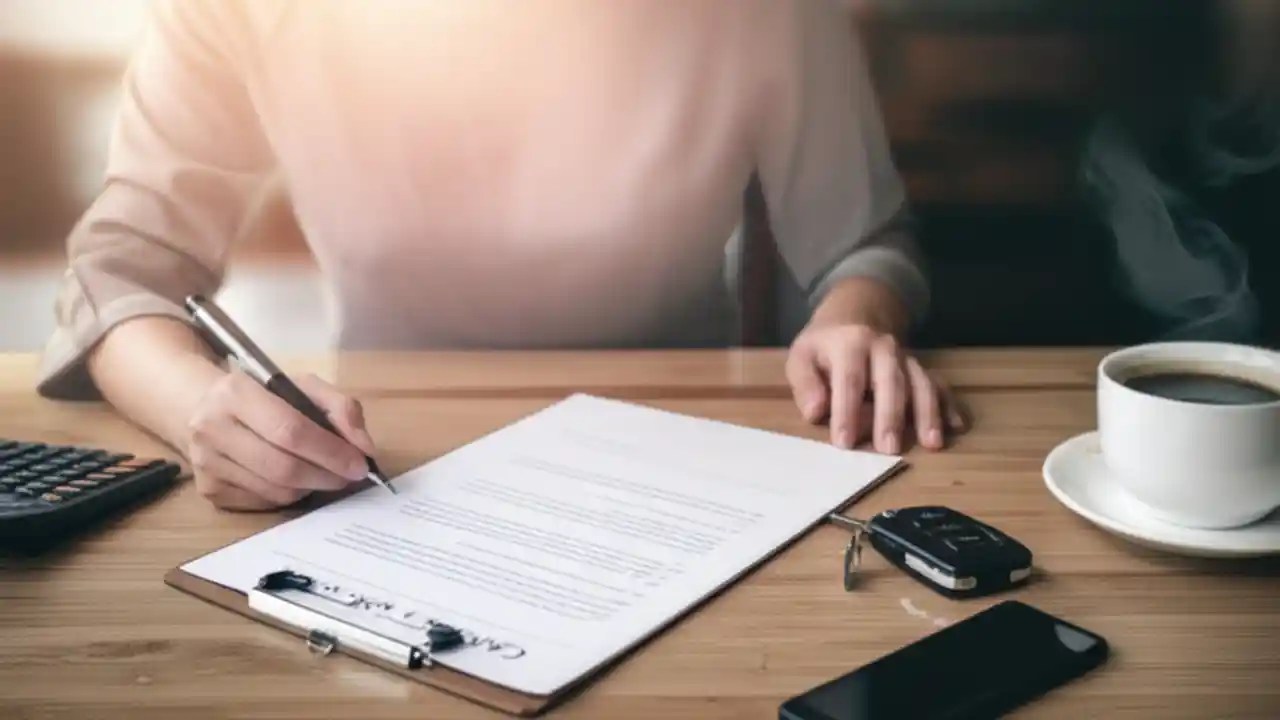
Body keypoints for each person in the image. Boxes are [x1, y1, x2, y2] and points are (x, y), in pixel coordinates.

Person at [38, 0, 964, 511]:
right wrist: (199, 405)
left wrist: (853, 321)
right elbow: (120, 270)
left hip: (691, 459)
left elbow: (867, 244)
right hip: (374, 467)